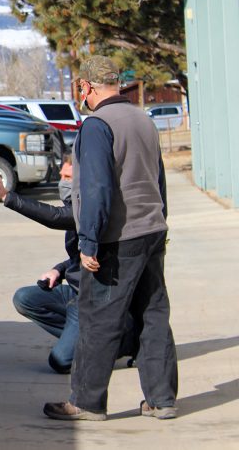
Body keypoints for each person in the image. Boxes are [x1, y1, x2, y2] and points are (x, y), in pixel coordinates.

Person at [43, 55, 178, 422]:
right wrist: (160, 220)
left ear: (86, 87)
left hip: (118, 238)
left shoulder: (97, 125)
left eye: (80, 89)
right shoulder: (143, 121)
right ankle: (161, 399)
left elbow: (98, 188)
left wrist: (89, 242)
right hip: (152, 229)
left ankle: (86, 402)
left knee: (99, 319)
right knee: (153, 316)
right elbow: (159, 180)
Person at [0, 156, 138, 374]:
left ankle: (117, 343)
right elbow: (79, 257)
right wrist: (59, 270)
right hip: (74, 291)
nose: (62, 181)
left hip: (92, 298)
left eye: (68, 177)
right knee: (25, 299)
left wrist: (7, 196)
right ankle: (88, 340)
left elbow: (54, 217)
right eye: (62, 175)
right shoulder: (76, 202)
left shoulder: (92, 208)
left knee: (60, 361)